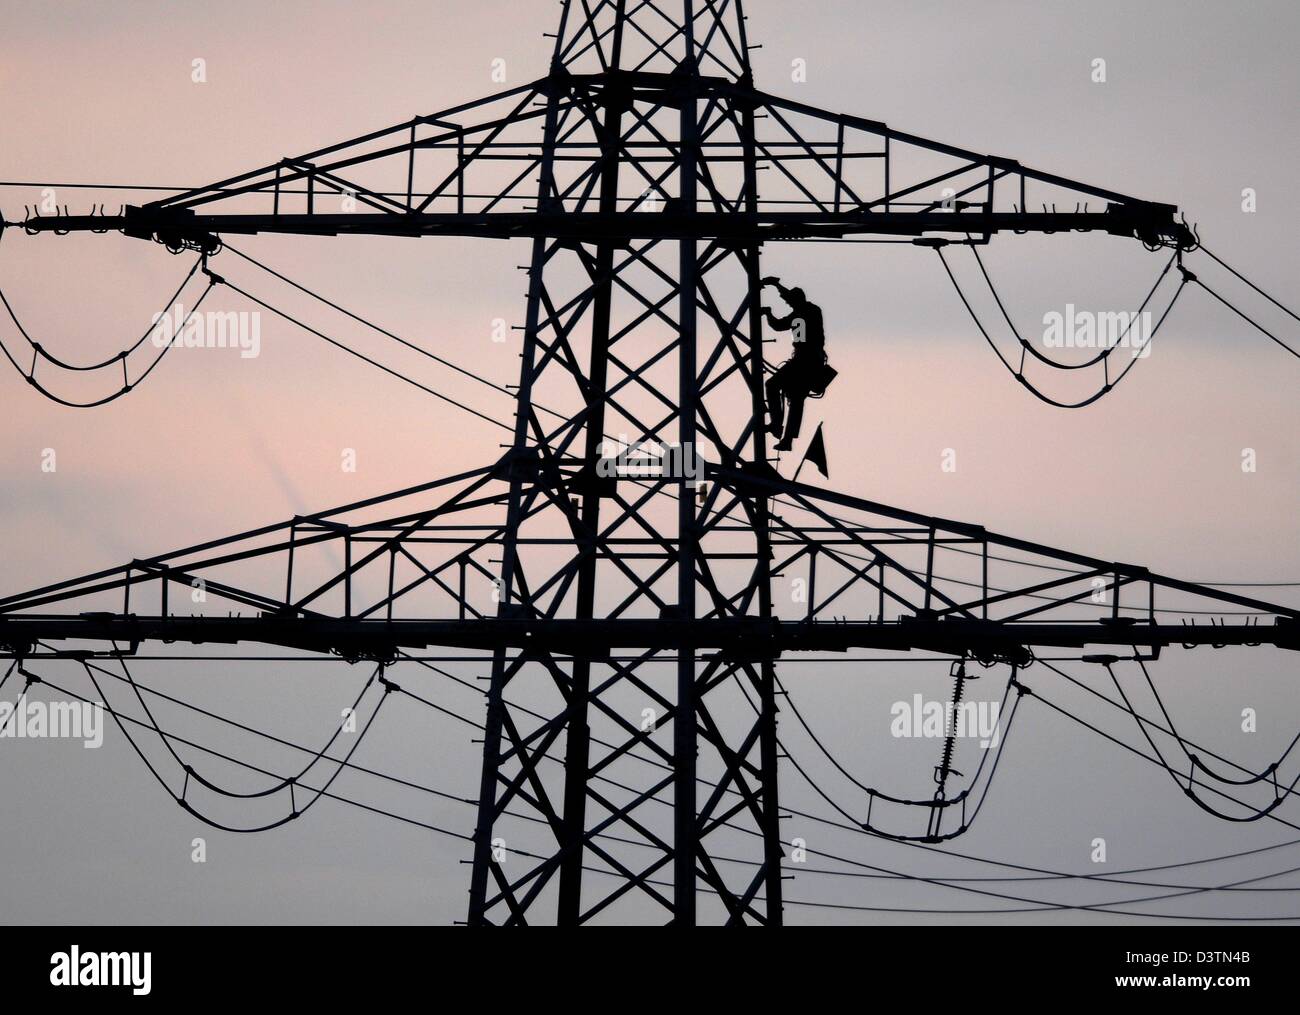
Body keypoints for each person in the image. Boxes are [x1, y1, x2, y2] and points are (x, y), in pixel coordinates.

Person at [761, 276, 833, 452]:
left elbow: (779, 325)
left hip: (804, 362)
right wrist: (776, 285)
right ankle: (785, 439)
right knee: (796, 399)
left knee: (773, 386)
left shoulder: (804, 313)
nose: (788, 304)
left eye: (791, 302)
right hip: (809, 362)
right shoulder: (807, 311)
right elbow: (789, 302)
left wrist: (768, 313)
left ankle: (778, 426)